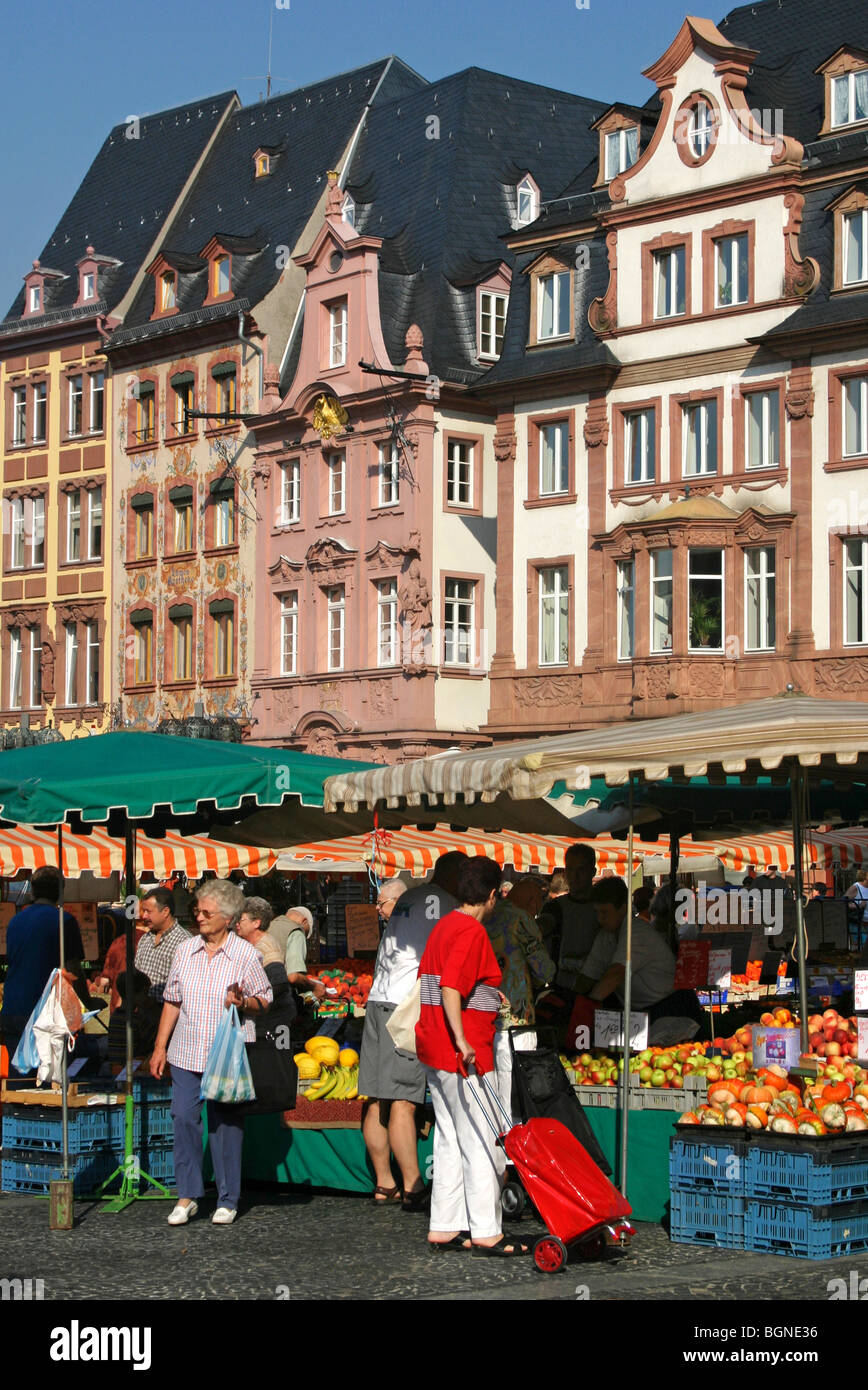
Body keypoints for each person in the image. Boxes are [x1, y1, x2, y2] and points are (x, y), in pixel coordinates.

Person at [416, 855, 527, 1256]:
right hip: (463, 1053)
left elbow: (444, 984)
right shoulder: (471, 931)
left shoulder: (443, 925)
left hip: (432, 1045)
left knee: (449, 1135)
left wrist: (485, 995)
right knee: (480, 1136)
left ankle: (445, 1224)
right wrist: (462, 1039)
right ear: (493, 894)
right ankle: (486, 1229)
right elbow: (451, 987)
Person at [150, 879, 272, 1227]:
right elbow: (172, 1000)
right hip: (186, 1050)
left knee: (225, 1126)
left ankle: (227, 1198)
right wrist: (160, 1047)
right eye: (197, 911)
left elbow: (265, 999)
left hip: (226, 1052)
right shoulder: (184, 951)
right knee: (183, 1118)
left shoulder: (246, 954)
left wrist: (243, 1001)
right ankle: (186, 1195)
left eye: (207, 912)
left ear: (229, 917)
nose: (199, 917)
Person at [360, 852, 466, 1211]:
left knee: (376, 1097)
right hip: (404, 1006)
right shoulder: (449, 903)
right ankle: (412, 1184)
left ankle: (383, 1183)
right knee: (404, 1099)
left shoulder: (409, 897)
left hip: (377, 999)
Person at [484, 877, 556, 1123]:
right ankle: (512, 1154)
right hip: (516, 1019)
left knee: (491, 1094)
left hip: (483, 1019)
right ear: (533, 901)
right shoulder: (522, 920)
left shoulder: (486, 914)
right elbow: (544, 971)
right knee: (515, 1096)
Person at [0, 866, 86, 1065]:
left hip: (12, 1008)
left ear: (32, 890)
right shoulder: (64, 920)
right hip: (44, 1011)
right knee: (48, 1075)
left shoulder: (15, 921)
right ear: (60, 891)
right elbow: (73, 967)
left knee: (18, 1075)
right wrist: (87, 1002)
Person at [536, 843, 598, 990]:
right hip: (560, 988)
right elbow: (546, 923)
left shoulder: (604, 907)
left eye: (581, 870)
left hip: (596, 988)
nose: (574, 876)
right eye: (570, 869)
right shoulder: (555, 907)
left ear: (593, 872)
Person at [235, 897, 295, 1029]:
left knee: (278, 1050)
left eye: (241, 919)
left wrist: (255, 1000)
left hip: (276, 1022)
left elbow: (279, 981)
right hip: (265, 1021)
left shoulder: (267, 947)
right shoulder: (251, 945)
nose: (237, 923)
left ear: (256, 923)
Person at [134, 888, 190, 1003]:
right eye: (143, 911)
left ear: (165, 911)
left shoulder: (184, 942)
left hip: (166, 1011)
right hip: (141, 1012)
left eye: (148, 911)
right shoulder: (145, 938)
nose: (144, 916)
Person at [268, 906, 325, 1002]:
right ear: (304, 921)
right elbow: (293, 976)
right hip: (278, 1002)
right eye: (305, 933)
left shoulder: (268, 926)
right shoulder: (296, 932)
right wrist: (315, 987)